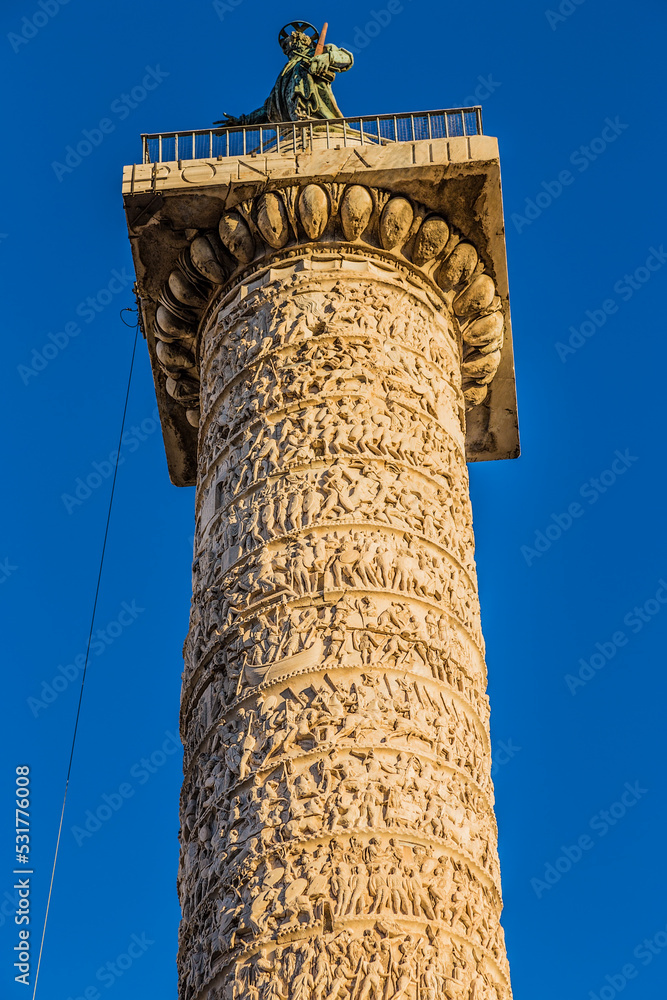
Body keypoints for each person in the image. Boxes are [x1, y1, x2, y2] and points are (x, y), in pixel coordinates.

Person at [217, 22, 353, 125]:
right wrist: (242, 122)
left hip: (320, 121)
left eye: (289, 44)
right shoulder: (286, 73)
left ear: (303, 42)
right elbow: (269, 110)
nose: (287, 49)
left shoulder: (317, 54)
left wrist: (328, 58)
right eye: (285, 47)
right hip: (294, 128)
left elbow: (347, 58)